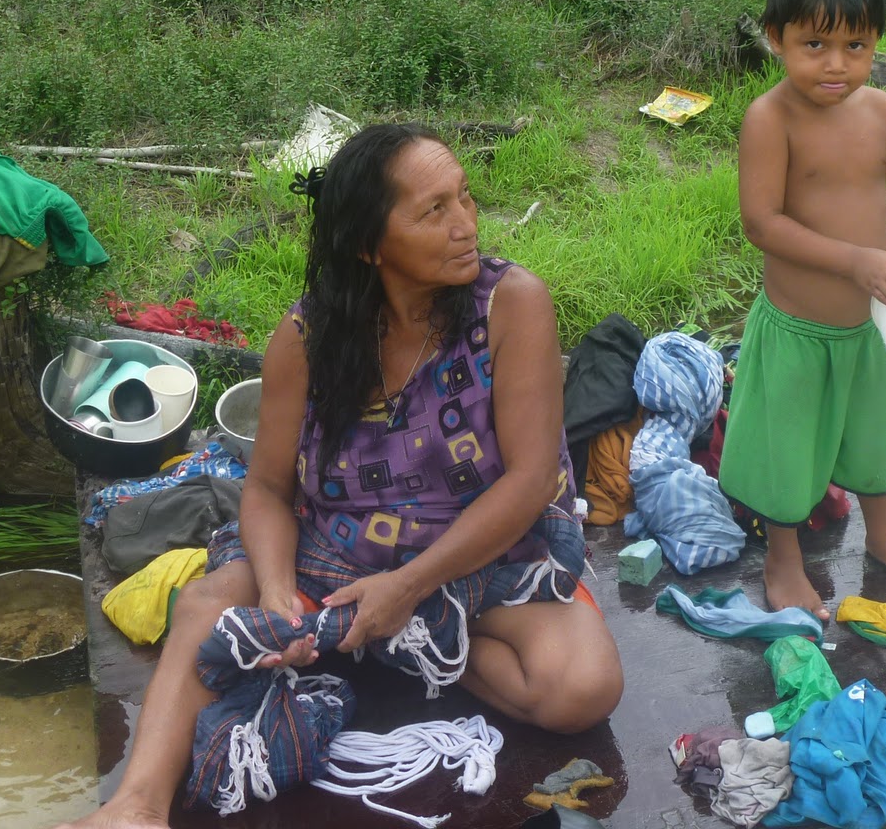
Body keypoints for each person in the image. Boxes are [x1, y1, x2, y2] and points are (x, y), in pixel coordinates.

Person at [59, 123, 622, 829]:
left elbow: (533, 479)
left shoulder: (511, 304)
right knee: (208, 605)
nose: (466, 225)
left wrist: (408, 590)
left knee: (583, 688)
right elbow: (265, 489)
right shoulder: (306, 340)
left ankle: (398, 640)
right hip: (338, 558)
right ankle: (137, 805)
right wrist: (275, 596)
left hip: (480, 557)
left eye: (465, 199)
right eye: (434, 210)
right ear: (369, 245)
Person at [718, 0, 886, 621]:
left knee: (875, 443)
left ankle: (883, 537)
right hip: (797, 330)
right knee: (787, 451)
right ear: (775, 38)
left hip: (873, 327)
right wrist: (854, 260)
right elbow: (762, 223)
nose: (836, 64)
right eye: (814, 44)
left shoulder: (883, 115)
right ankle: (784, 563)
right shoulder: (771, 119)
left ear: (876, 44)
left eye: (856, 46)